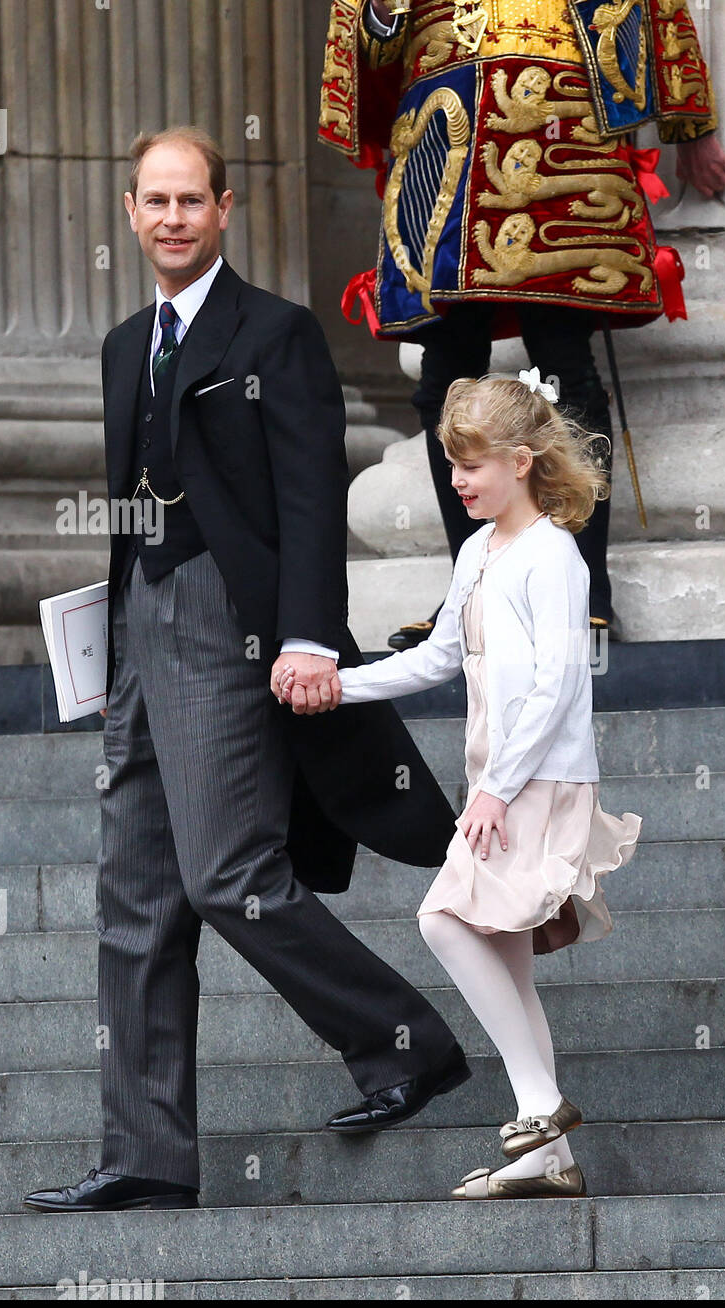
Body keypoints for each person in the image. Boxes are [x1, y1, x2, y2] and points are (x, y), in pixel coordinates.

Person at [24, 127, 470, 1213]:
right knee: (134, 895)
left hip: (234, 625)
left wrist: (311, 636)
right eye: (155, 202)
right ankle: (146, 1153)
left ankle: (403, 1040)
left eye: (193, 200)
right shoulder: (125, 344)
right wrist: (107, 622)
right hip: (140, 625)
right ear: (131, 212)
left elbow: (313, 491)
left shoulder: (277, 334)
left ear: (224, 209)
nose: (173, 218)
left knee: (229, 873)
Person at [283, 372, 641, 1197]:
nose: (459, 482)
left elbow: (557, 687)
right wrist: (342, 682)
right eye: (452, 466)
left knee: (443, 919)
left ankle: (542, 1104)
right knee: (503, 954)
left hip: (539, 780)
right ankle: (547, 1156)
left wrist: (497, 790)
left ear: (522, 461)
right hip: (502, 781)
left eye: (472, 466)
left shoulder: (554, 554)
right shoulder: (480, 550)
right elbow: (441, 656)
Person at [317, 0, 725, 648]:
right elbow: (369, 44)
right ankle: (472, 597)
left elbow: (653, 10)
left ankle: (582, 589)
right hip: (443, 131)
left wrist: (692, 126)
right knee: (443, 379)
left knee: (564, 367)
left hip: (562, 119)